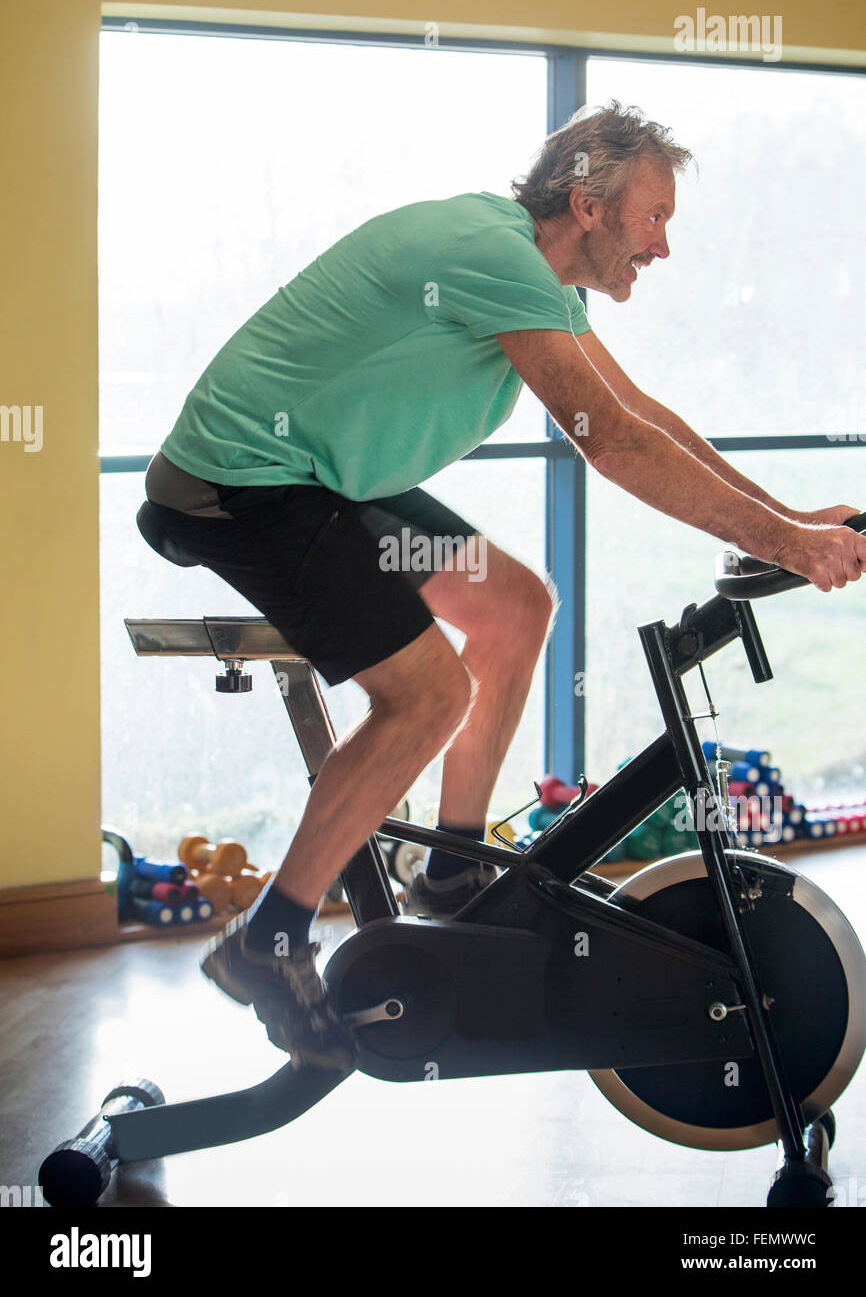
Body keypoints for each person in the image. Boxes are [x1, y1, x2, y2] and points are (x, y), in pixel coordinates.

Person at [142, 100, 866, 1070]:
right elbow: (604, 439)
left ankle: (448, 868)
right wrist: (781, 543)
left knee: (517, 606)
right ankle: (266, 941)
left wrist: (788, 522)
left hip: (321, 478)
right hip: (238, 482)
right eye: (653, 218)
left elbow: (638, 412)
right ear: (587, 204)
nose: (662, 247)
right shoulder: (490, 255)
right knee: (429, 691)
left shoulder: (535, 278)